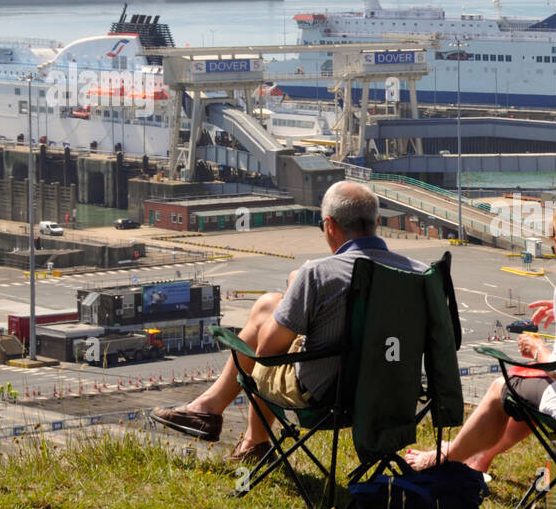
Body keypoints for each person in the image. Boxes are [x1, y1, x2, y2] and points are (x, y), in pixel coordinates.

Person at [151, 181, 425, 464]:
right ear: (377, 222)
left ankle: (238, 431)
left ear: (329, 225)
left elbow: (269, 351)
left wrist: (294, 293)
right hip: (393, 396)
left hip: (327, 396)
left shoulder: (318, 273)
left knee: (267, 313)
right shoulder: (420, 275)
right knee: (269, 303)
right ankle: (219, 417)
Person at [405, 199, 556, 473]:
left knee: (503, 387)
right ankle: (478, 458)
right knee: (530, 388)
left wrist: (537, 347)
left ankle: (445, 459)